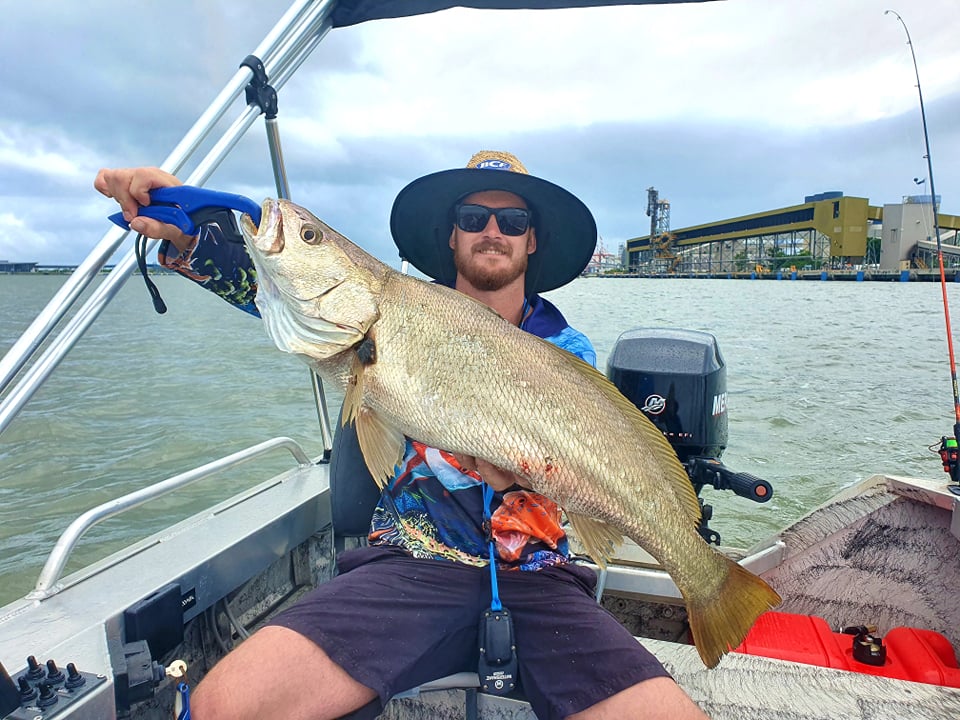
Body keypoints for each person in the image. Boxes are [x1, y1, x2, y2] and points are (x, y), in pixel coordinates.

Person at [95, 151, 709, 720]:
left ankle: (709, 582)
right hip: (410, 563)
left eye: (511, 218)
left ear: (532, 238)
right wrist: (191, 231)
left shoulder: (565, 350)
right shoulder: (397, 311)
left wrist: (525, 481)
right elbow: (280, 289)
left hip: (538, 575)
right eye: (474, 216)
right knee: (225, 704)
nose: (491, 230)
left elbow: (578, 472)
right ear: (452, 234)